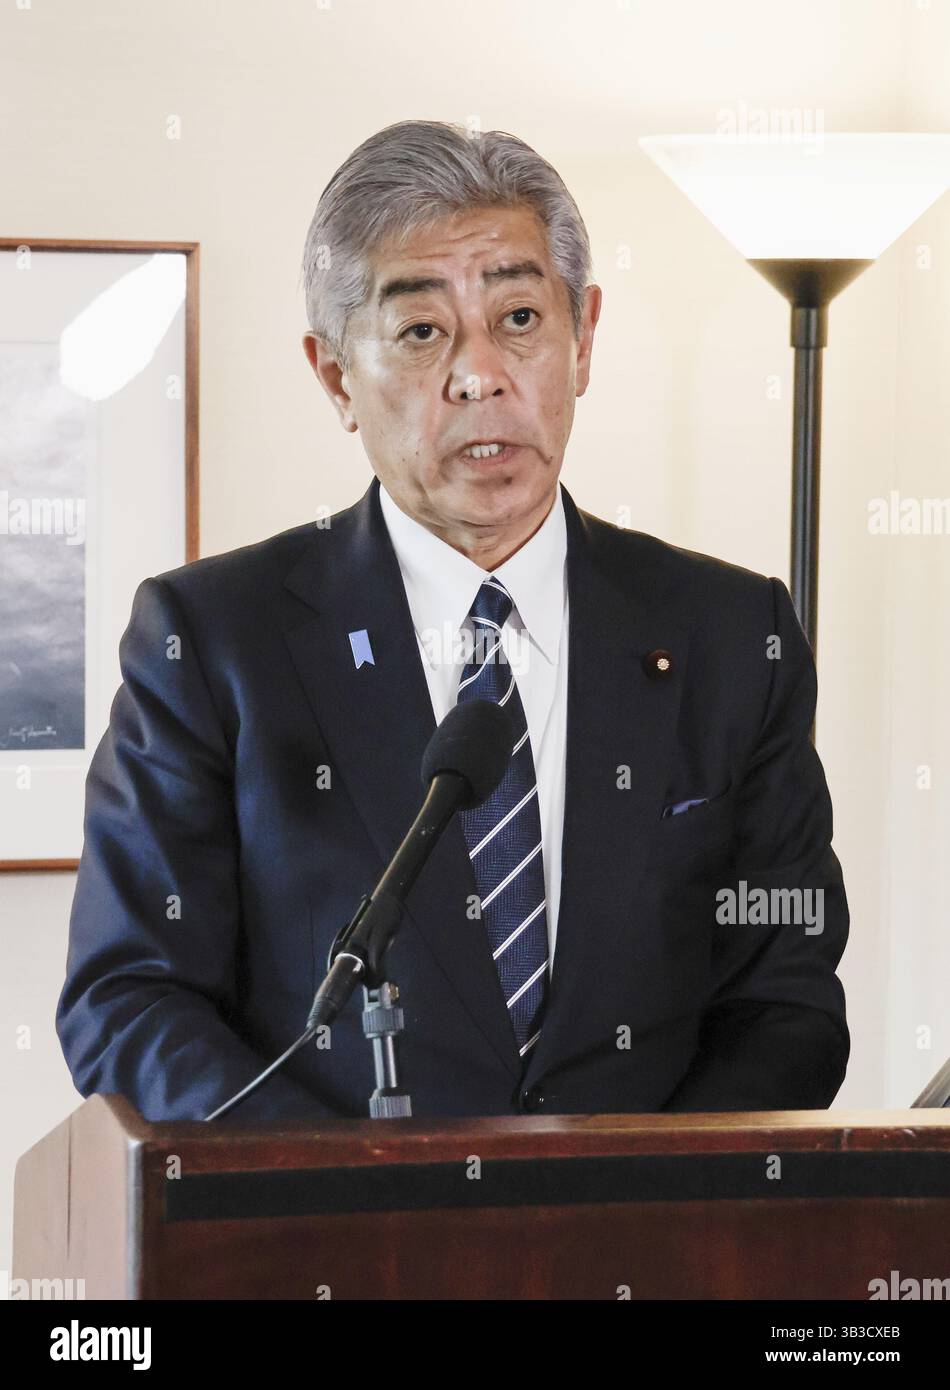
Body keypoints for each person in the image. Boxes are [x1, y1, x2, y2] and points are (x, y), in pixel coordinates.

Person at [56, 120, 849, 1123]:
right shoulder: (214, 642)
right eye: (422, 331)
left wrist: (640, 1209)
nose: (480, 375)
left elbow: (785, 1001)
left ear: (583, 337)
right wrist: (360, 1210)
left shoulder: (732, 637)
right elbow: (128, 1002)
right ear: (336, 375)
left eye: (519, 316)